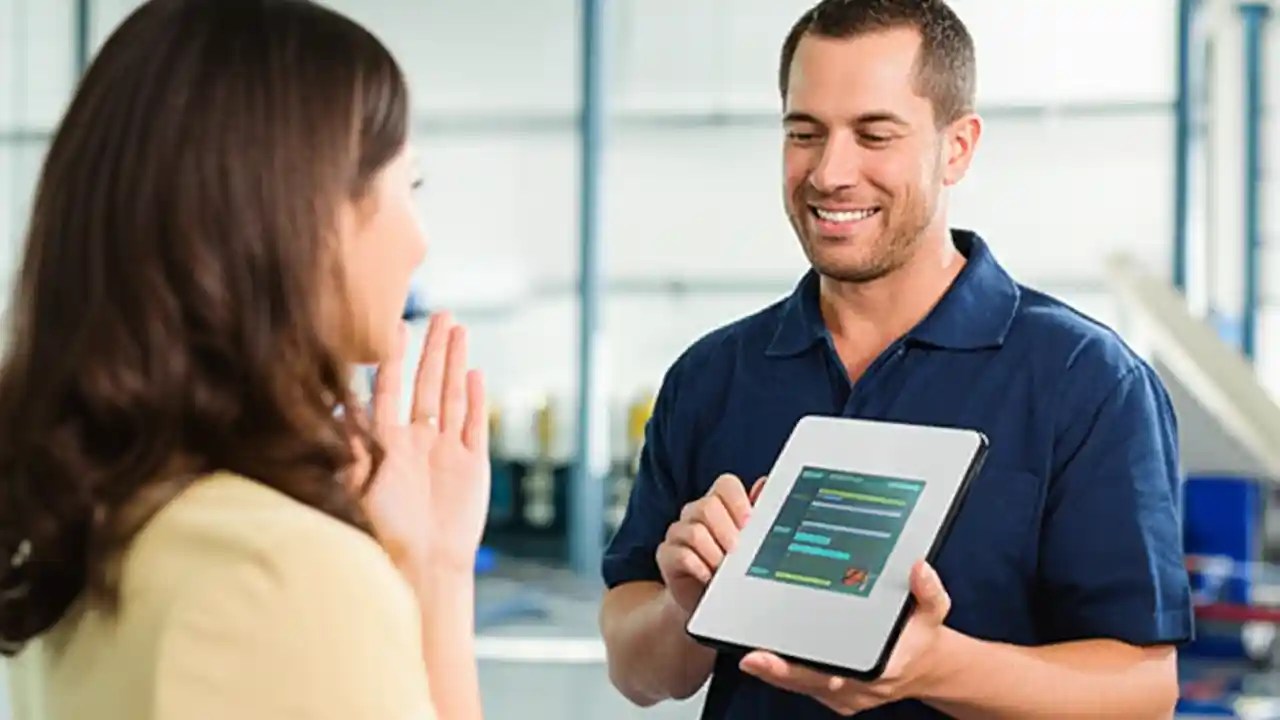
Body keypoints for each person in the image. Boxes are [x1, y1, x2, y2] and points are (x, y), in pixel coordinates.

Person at [598, 1, 1193, 718]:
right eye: (804, 133)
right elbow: (637, 673)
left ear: (958, 147)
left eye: (874, 134)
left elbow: (1143, 693)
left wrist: (938, 668)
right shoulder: (711, 378)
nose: (830, 173)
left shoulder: (1085, 383)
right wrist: (687, 609)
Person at [0, 1, 489, 719]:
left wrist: (434, 568)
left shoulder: (99, 525)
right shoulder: (284, 572)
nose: (419, 242)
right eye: (407, 186)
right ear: (305, 214)